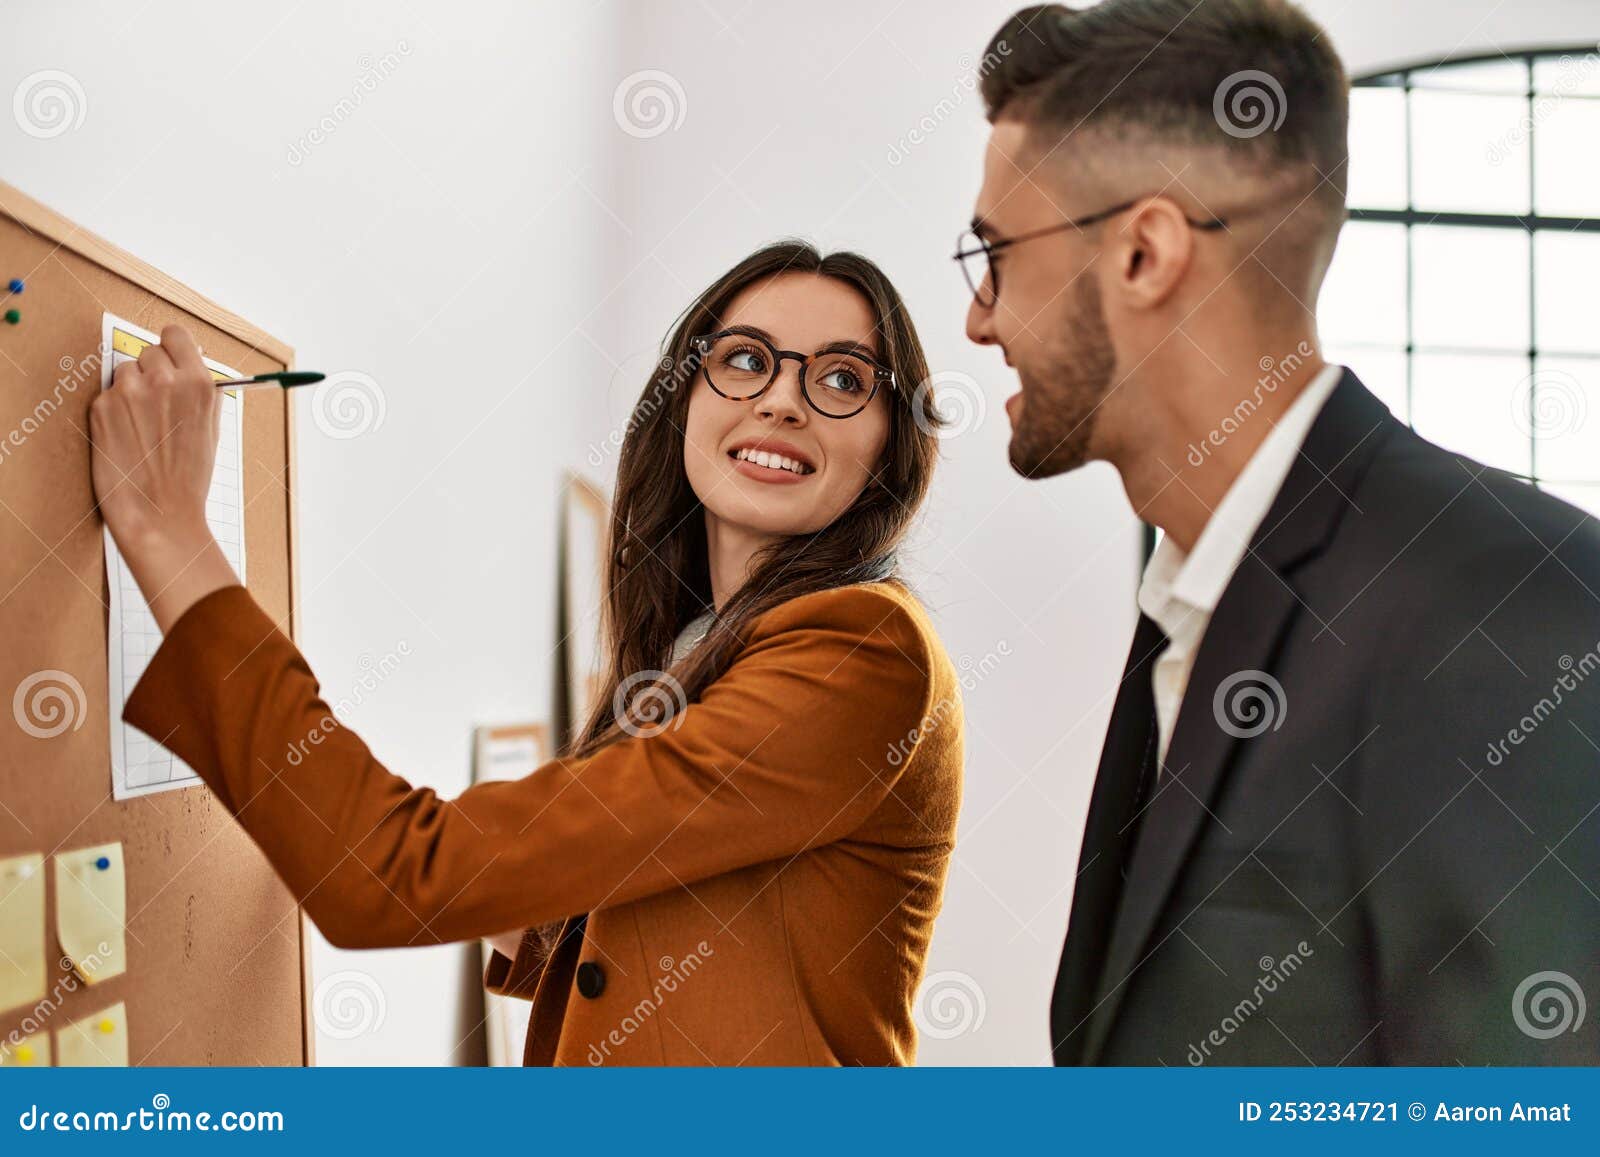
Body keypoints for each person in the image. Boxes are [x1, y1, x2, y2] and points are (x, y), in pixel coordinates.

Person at [89, 241, 964, 1066]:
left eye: (843, 378)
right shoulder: (703, 647)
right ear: (684, 396)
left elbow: (390, 876)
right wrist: (516, 879)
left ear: (892, 443)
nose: (781, 400)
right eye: (744, 358)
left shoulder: (862, 653)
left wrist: (171, 536)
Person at [961, 0, 1599, 1064]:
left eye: (995, 253)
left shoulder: (1505, 606)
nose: (980, 317)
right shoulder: (1186, 603)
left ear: (1143, 253)